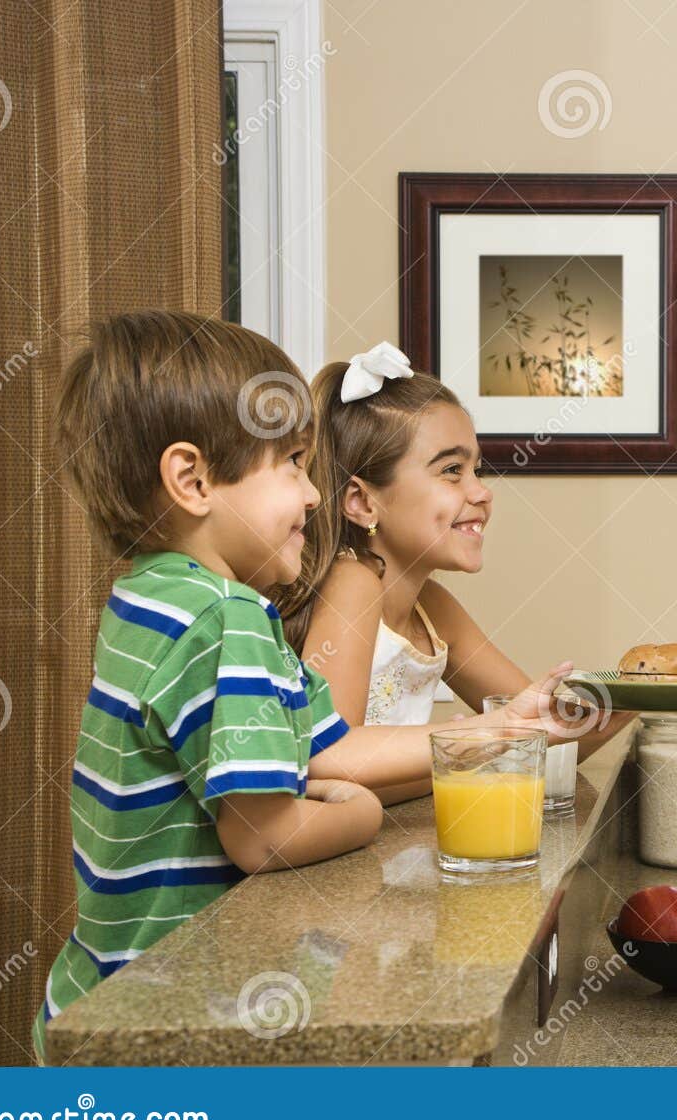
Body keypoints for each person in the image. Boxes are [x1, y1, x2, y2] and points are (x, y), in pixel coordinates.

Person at [36, 312, 565, 1061]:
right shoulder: (230, 620)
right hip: (188, 1010)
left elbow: (324, 743)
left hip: (98, 987)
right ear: (192, 481)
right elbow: (264, 835)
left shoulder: (143, 599)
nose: (311, 495)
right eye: (289, 464)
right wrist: (360, 811)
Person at [276, 342, 631, 766]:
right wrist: (473, 744)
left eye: (476, 469)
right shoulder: (351, 585)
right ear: (363, 502)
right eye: (451, 471)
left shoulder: (433, 610)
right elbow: (327, 760)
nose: (481, 491)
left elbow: (553, 736)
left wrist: (652, 691)